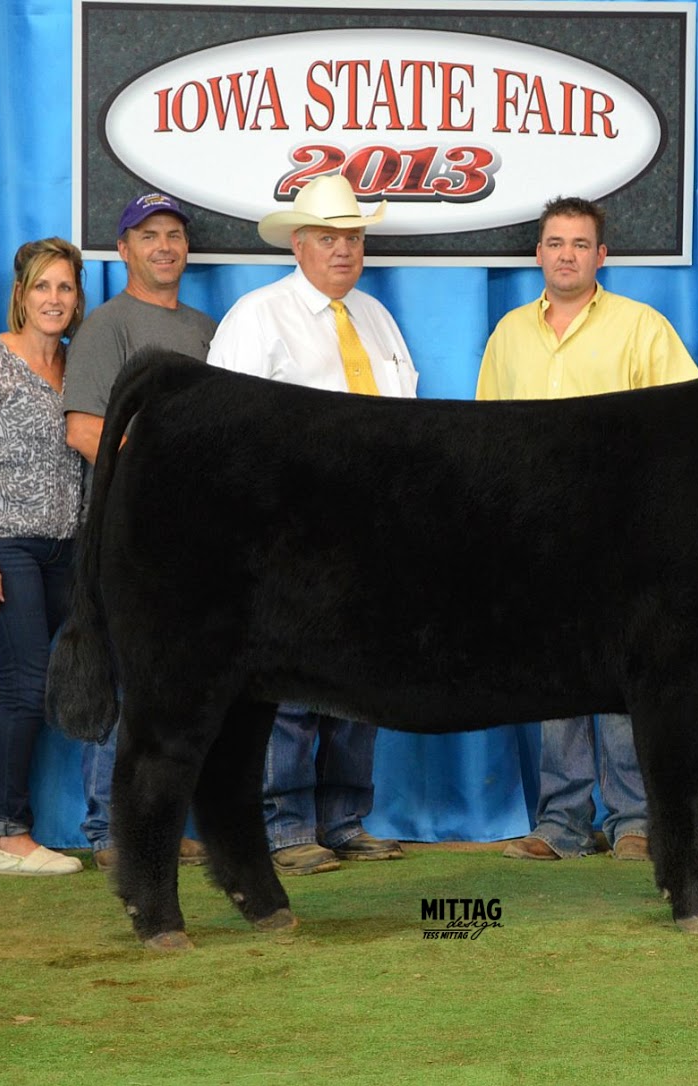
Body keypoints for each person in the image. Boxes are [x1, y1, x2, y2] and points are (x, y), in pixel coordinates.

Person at [479, 195, 698, 861]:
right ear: (539, 254)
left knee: (625, 680)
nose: (566, 254)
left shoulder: (642, 327)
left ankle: (636, 822)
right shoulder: (510, 334)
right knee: (554, 679)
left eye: (579, 243)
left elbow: (684, 427)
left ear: (601, 256)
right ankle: (563, 824)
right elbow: (487, 435)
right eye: (555, 242)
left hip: (623, 535)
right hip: (536, 537)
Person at [207, 173, 415, 874]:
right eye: (329, 238)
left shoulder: (377, 320)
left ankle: (345, 818)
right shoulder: (257, 318)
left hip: (375, 534)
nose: (343, 250)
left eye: (353, 238)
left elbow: (406, 424)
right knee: (291, 685)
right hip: (289, 534)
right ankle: (287, 826)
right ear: (299, 243)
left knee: (360, 679)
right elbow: (225, 433)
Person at [62, 193, 216, 870]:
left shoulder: (208, 329)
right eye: (148, 235)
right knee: (130, 677)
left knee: (180, 682)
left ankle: (162, 820)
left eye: (174, 235)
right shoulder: (107, 327)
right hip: (135, 534)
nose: (163, 246)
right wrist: (165, 481)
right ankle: (110, 828)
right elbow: (84, 429)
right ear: (122, 250)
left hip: (200, 539)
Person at [0, 237, 88, 876]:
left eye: (65, 287)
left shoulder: (76, 365)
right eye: (43, 287)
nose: (55, 299)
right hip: (6, 541)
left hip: (64, 546)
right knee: (29, 685)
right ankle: (12, 833)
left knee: (2, 684)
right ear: (22, 296)